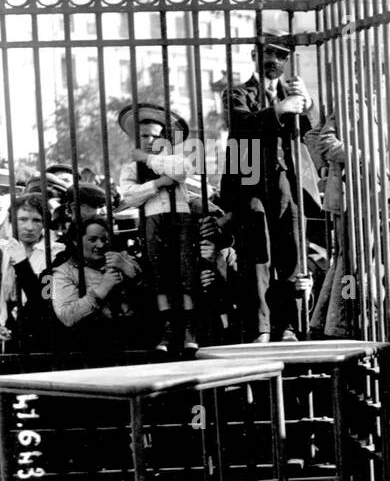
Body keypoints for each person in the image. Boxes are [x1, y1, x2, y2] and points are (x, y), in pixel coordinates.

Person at [221, 31, 315, 343]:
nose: (274, 60)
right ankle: (260, 327)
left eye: (281, 55)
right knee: (257, 252)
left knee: (290, 250)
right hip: (248, 181)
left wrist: (307, 104)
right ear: (254, 56)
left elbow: (307, 133)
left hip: (284, 180)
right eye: (268, 54)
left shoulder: (290, 94)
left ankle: (287, 325)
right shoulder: (236, 93)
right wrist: (279, 110)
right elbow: (240, 124)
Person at [116, 102, 200, 353]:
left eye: (155, 136)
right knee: (159, 273)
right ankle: (168, 327)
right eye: (144, 136)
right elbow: (129, 196)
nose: (150, 140)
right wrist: (158, 184)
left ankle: (189, 327)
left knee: (185, 271)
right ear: (135, 137)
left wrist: (150, 160)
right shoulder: (131, 167)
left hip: (180, 217)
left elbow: (183, 171)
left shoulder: (172, 158)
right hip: (153, 218)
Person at [51, 217, 145, 351]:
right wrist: (102, 289)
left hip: (134, 340)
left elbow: (153, 296)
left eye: (104, 239)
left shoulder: (123, 259)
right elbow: (66, 316)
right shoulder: (62, 273)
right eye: (93, 239)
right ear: (76, 241)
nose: (101, 245)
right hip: (92, 346)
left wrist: (130, 270)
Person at [0, 193, 62, 352]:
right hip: (8, 335)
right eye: (23, 219)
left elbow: (45, 300)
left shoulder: (56, 254)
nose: (29, 227)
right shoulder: (4, 251)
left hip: (40, 338)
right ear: (11, 221)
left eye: (36, 220)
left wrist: (22, 263)